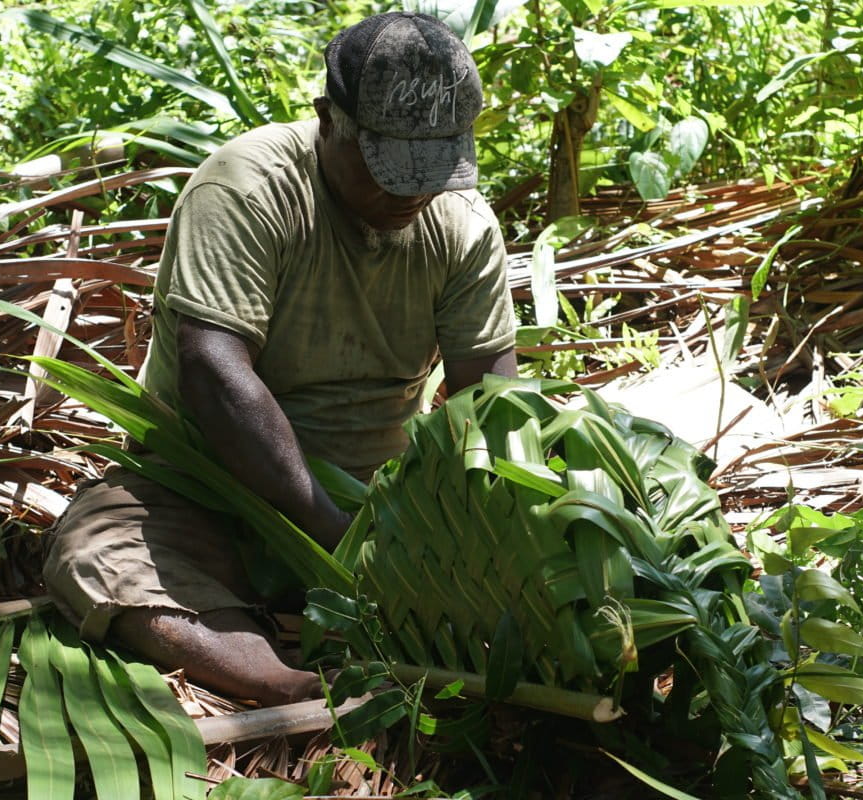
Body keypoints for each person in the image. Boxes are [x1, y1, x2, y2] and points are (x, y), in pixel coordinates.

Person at [42, 12, 517, 705]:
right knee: (96, 553)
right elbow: (214, 373)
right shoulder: (249, 187)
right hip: (210, 492)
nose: (411, 195)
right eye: (388, 173)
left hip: (376, 506)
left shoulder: (462, 224)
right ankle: (288, 684)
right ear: (329, 119)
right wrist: (328, 536)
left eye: (431, 173)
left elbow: (490, 400)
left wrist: (476, 527)